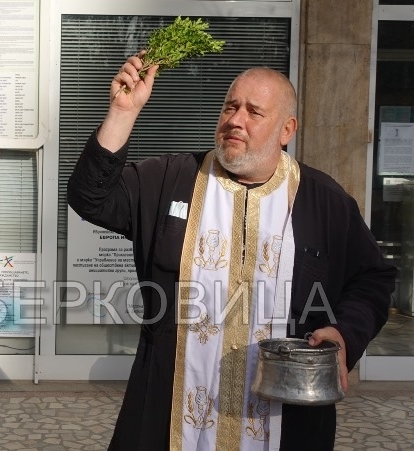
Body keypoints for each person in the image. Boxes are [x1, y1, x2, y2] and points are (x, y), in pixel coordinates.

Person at [67, 53, 397, 450]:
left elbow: (372, 279)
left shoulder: (324, 202)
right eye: (230, 107)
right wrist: (122, 113)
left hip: (286, 422)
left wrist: (346, 334)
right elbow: (90, 199)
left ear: (286, 129)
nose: (235, 120)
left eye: (254, 112)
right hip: (169, 415)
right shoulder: (171, 179)